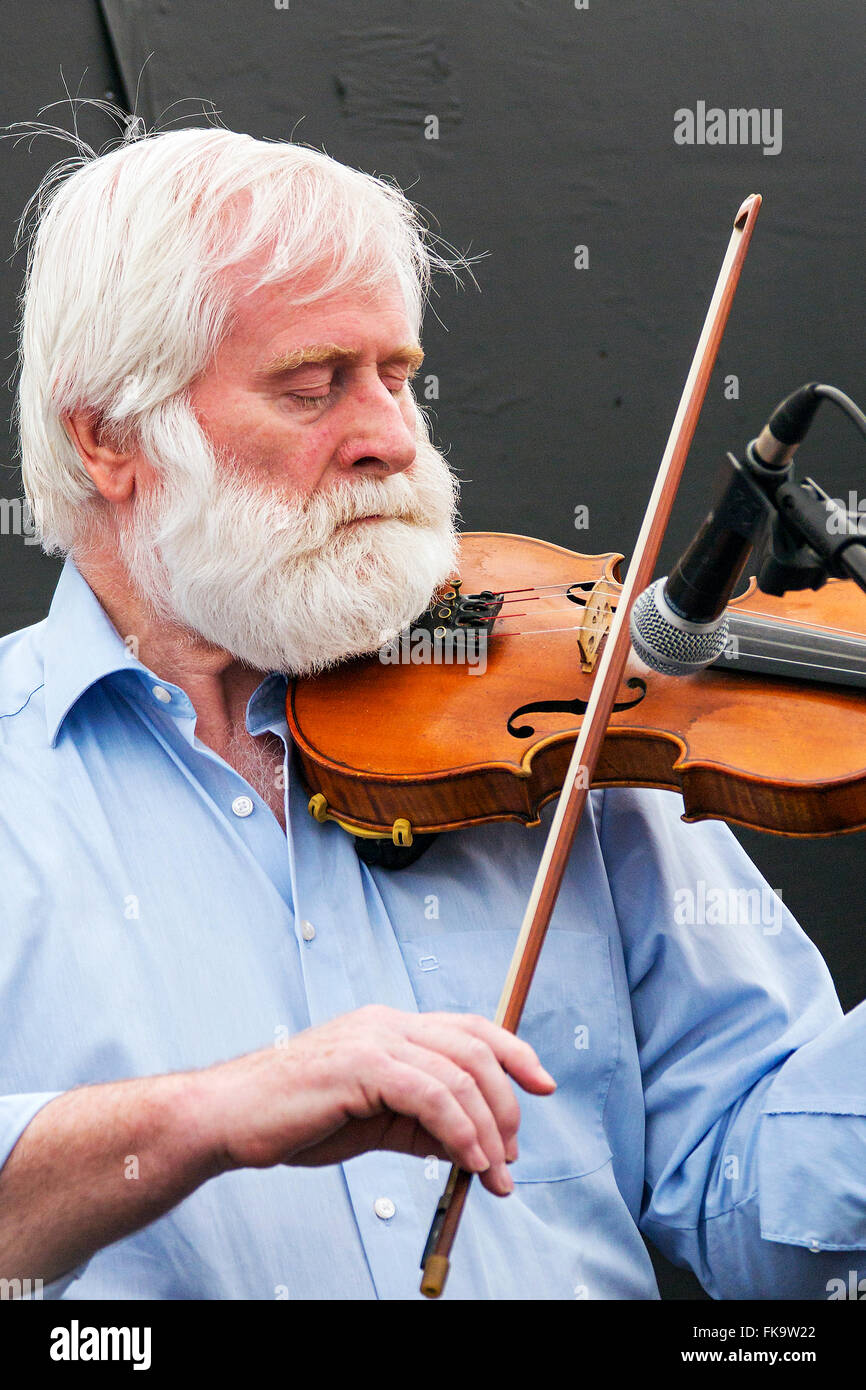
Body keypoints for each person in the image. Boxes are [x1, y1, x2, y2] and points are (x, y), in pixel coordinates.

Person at [0, 123, 863, 1301]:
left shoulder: (567, 724)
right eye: (312, 388)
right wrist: (206, 1116)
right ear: (107, 438)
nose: (391, 440)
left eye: (396, 378)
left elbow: (760, 1207)